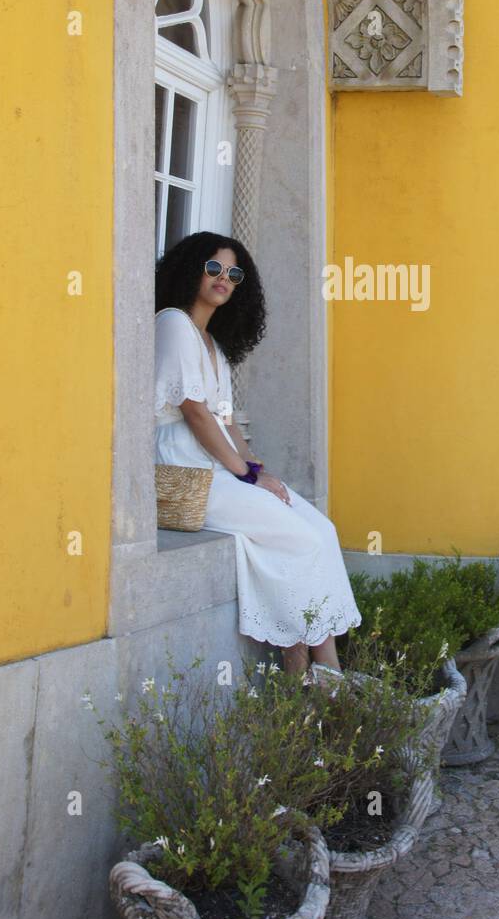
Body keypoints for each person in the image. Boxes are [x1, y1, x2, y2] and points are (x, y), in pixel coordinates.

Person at [154, 231, 361, 673]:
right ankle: (324, 679)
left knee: (321, 531)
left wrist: (256, 469)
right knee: (301, 540)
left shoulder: (213, 344)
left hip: (217, 465)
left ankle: (312, 676)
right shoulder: (172, 323)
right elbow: (196, 414)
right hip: (185, 468)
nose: (223, 278)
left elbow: (226, 420)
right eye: (214, 267)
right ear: (191, 270)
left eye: (234, 274)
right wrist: (247, 476)